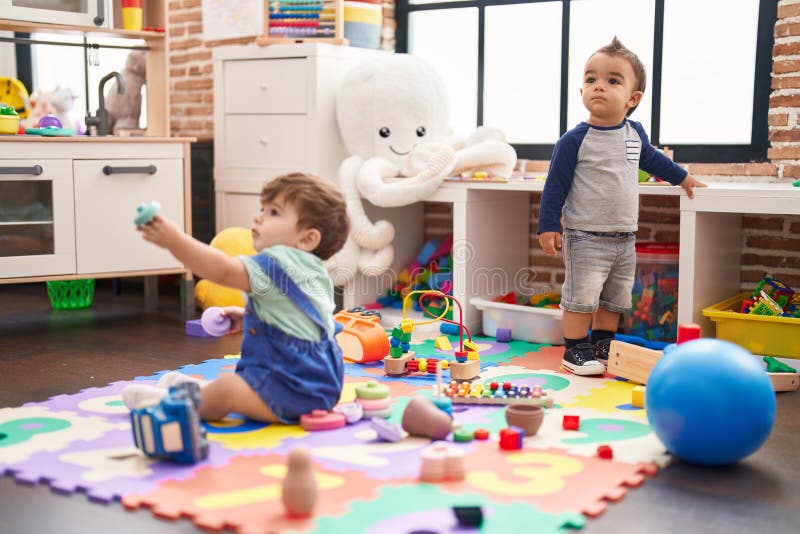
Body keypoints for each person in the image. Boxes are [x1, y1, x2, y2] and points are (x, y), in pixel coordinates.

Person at [537, 37, 706, 376]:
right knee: (581, 296)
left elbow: (653, 160)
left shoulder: (634, 134)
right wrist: (548, 226)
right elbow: (554, 185)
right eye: (591, 79)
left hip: (625, 237)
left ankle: (603, 344)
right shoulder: (573, 140)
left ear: (633, 98)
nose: (599, 85)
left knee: (614, 298)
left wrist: (683, 178)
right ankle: (574, 349)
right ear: (582, 90)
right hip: (585, 235)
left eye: (612, 80)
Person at [122, 172, 350, 423]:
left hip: (292, 388)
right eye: (262, 208)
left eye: (274, 212)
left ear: (307, 238)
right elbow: (304, 320)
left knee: (228, 389)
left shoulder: (276, 263)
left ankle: (171, 404)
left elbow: (222, 270)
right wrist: (251, 316)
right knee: (233, 383)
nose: (258, 216)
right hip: (318, 385)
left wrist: (175, 241)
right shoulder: (314, 271)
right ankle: (198, 392)